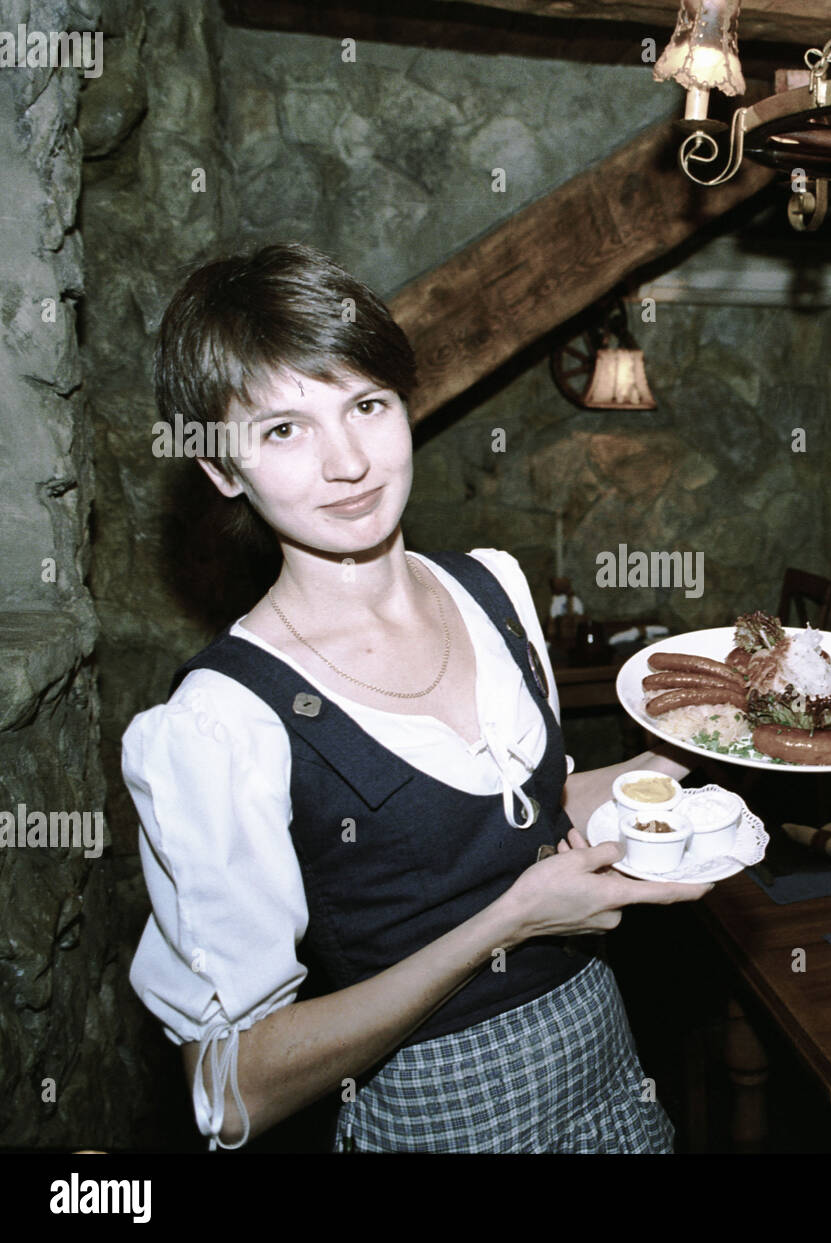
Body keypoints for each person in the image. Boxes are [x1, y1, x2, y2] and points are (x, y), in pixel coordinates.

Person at [123, 243, 709, 1153]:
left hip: (611, 1076)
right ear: (221, 470)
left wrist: (691, 749)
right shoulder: (219, 720)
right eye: (284, 429)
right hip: (434, 1116)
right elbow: (234, 1089)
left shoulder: (495, 588)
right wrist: (510, 921)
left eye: (367, 405)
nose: (349, 462)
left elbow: (519, 811)